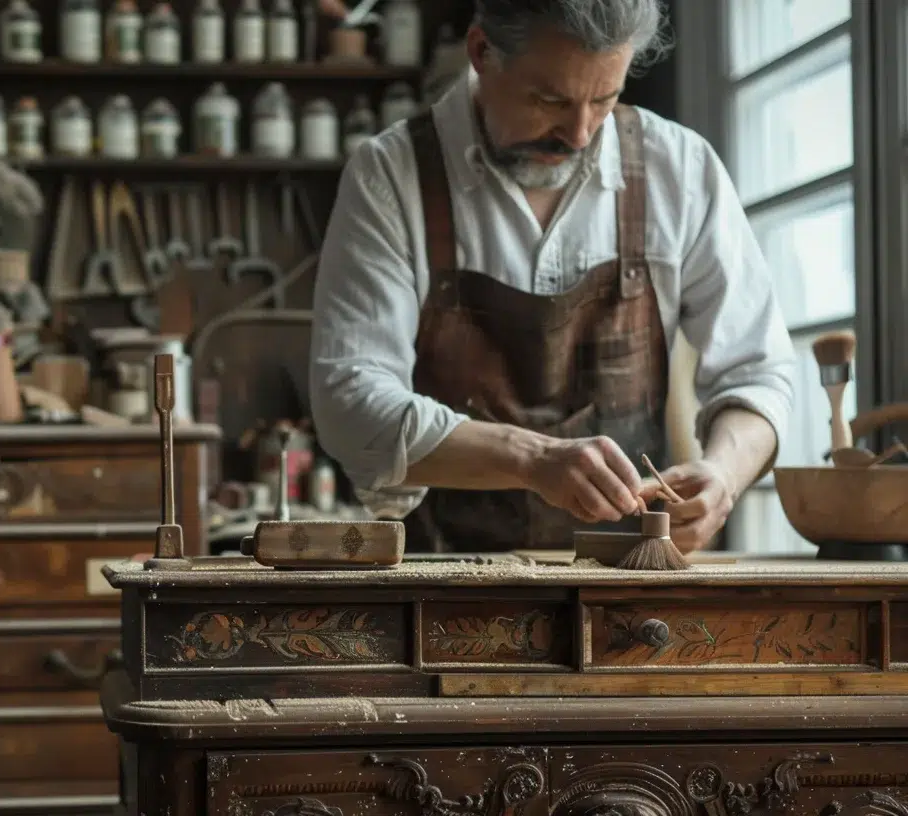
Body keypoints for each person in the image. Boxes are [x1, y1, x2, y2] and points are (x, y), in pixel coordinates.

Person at [309, 0, 795, 555]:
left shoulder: (680, 170)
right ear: (481, 53)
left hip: (624, 583)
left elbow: (757, 373)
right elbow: (348, 401)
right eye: (551, 100)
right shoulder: (392, 177)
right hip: (441, 587)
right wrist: (531, 458)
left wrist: (725, 473)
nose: (581, 133)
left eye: (605, 99)